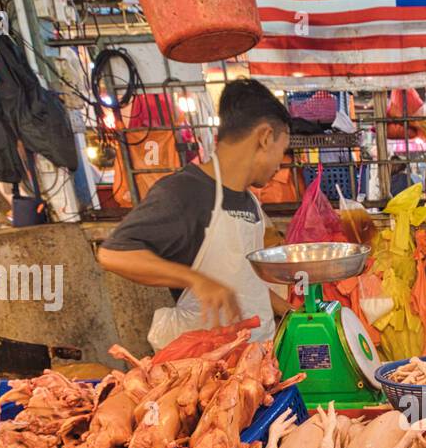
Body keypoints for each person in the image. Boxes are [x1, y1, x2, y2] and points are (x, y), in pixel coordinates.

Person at [98, 78, 292, 350]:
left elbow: (244, 280)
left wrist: (292, 314)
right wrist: (195, 279)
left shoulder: (249, 201)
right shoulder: (184, 192)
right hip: (205, 367)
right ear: (265, 137)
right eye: (282, 151)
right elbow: (113, 254)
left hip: (256, 355)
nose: (279, 165)